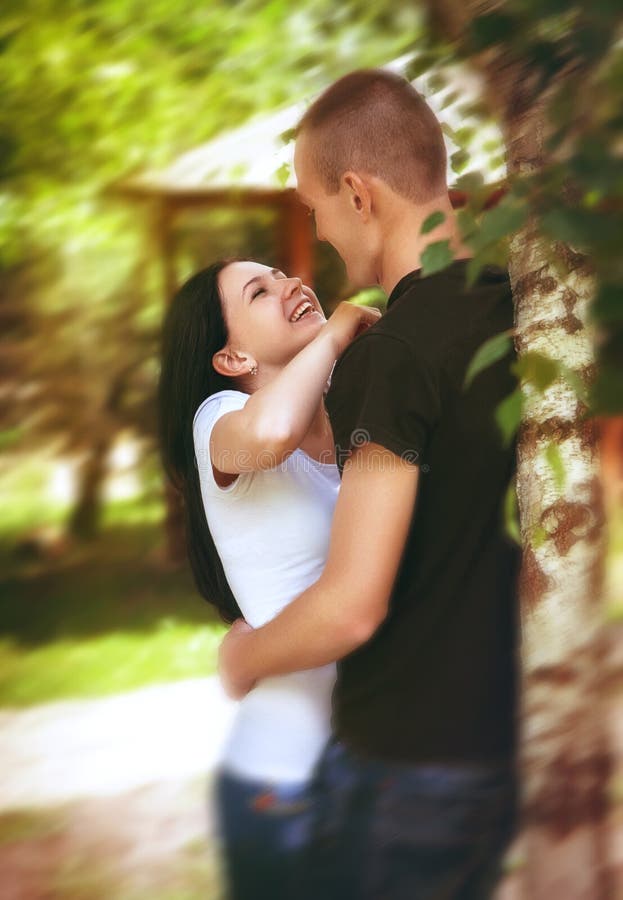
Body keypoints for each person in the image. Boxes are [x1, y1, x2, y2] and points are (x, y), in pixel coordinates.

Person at [218, 69, 521, 899]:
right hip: (497, 752)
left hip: (404, 767)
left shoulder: (396, 358)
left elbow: (352, 601)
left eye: (314, 210)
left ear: (357, 193)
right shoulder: (520, 314)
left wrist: (246, 656)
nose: (317, 239)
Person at [157, 258, 380, 900]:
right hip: (284, 787)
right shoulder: (222, 420)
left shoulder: (351, 421)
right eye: (261, 290)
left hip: (372, 773)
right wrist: (338, 329)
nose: (291, 285)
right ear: (231, 359)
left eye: (283, 273)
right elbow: (273, 431)